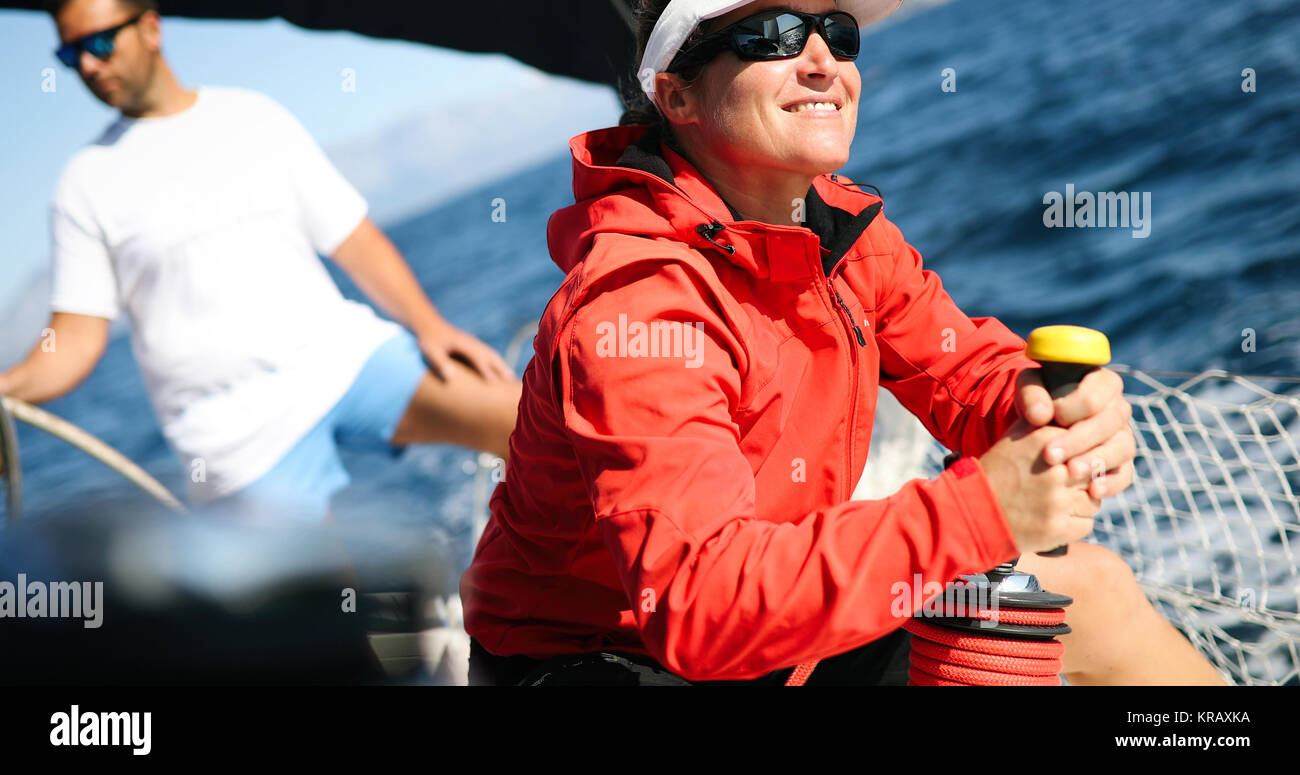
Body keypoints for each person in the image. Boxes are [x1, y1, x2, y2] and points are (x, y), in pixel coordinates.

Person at [459, 0, 1226, 685]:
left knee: (1089, 595)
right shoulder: (639, 304)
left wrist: (1056, 414)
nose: (822, 57)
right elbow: (699, 601)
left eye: (837, 30)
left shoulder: (837, 234)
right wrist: (979, 509)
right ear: (678, 93)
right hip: (608, 662)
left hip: (770, 631)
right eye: (772, 34)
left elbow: (966, 370)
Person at [0, 0, 522, 521]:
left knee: (537, 422)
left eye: (99, 43)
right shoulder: (83, 184)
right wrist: (7, 389)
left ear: (151, 28)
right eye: (71, 55)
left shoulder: (250, 116)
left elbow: (353, 239)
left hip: (342, 357)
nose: (88, 65)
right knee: (310, 600)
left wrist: (430, 326)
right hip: (231, 436)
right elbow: (73, 339)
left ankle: (548, 583)